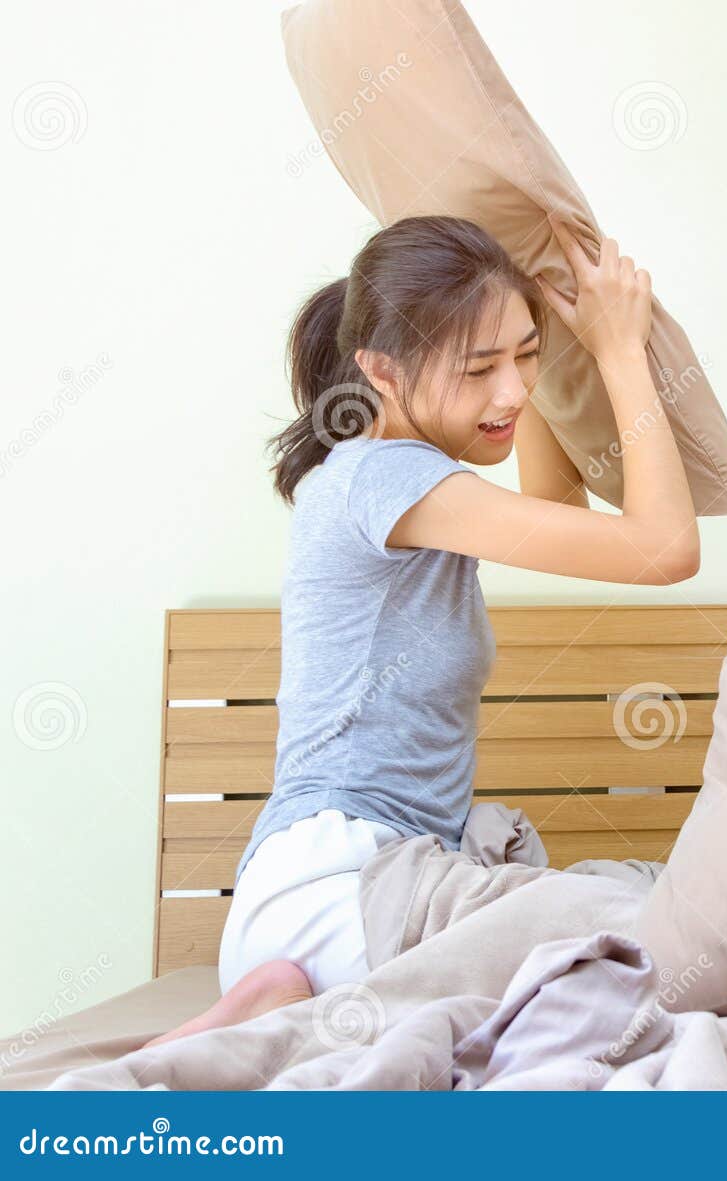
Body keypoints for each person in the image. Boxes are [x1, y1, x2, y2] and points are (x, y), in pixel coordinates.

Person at [146, 215, 699, 1046]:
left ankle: (288, 1008)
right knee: (675, 927)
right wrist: (620, 353)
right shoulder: (387, 475)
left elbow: (553, 511)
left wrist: (562, 344)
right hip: (348, 892)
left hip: (348, 907)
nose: (511, 390)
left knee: (667, 897)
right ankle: (282, 1011)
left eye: (526, 353)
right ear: (380, 370)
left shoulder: (397, 477)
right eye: (480, 367)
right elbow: (665, 549)